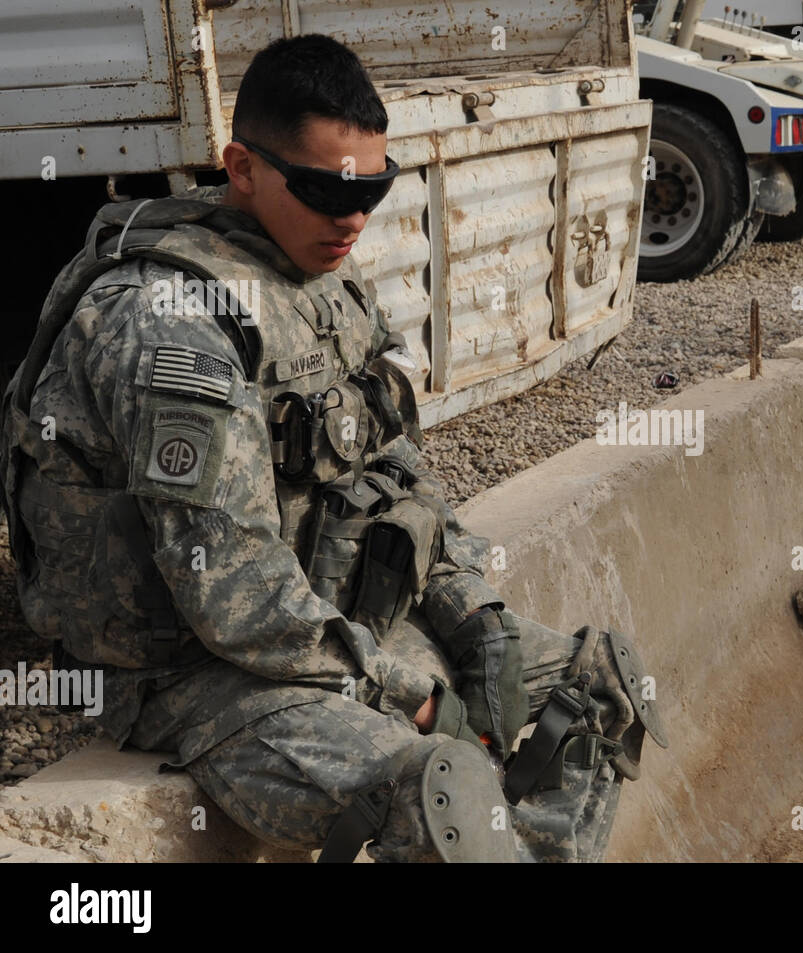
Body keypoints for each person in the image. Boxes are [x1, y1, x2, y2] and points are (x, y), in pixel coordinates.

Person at [0, 34, 663, 862]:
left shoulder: (318, 284)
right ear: (241, 168)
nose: (351, 219)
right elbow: (233, 598)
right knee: (442, 796)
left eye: (370, 192)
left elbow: (391, 473)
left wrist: (471, 617)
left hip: (334, 623)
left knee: (601, 685)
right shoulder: (169, 325)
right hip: (199, 675)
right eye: (322, 190)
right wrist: (410, 696)